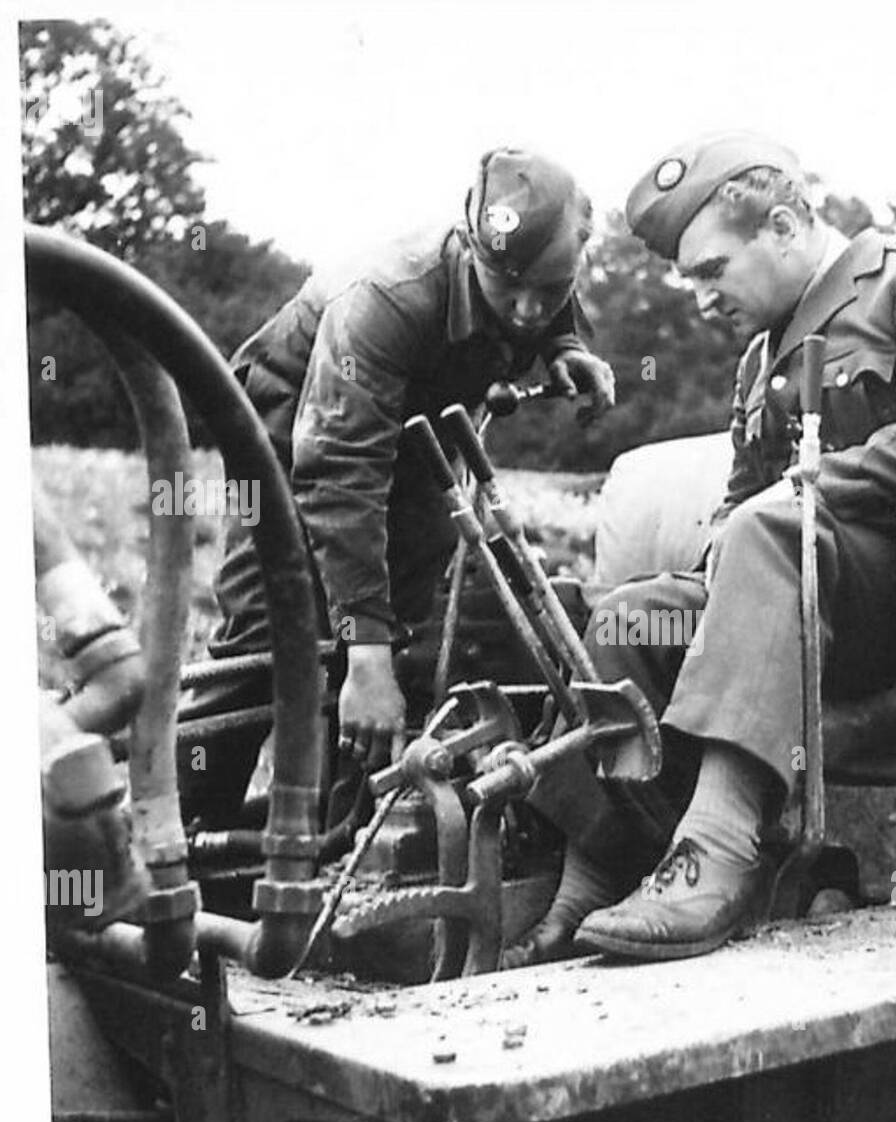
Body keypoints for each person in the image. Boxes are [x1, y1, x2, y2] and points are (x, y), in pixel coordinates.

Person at [507, 131, 896, 965]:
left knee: (768, 528)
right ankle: (609, 856)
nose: (700, 298)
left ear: (783, 227)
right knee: (635, 613)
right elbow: (741, 504)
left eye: (712, 271)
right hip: (787, 602)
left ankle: (719, 849)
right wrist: (716, 560)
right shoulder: (759, 359)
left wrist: (806, 492)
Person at [181, 147, 615, 825]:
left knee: (398, 632)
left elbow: (539, 297)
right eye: (508, 290)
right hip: (291, 432)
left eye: (550, 289)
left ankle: (340, 844)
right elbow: (338, 474)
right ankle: (170, 844)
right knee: (273, 634)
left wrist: (566, 349)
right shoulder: (384, 299)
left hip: (411, 443)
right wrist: (366, 653)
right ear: (473, 252)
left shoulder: (534, 274)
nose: (528, 312)